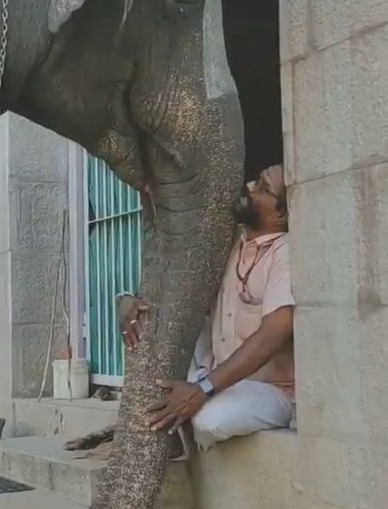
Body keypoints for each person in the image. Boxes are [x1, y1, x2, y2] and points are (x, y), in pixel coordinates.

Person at [117, 164, 295, 452]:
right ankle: (176, 422)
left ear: (281, 215)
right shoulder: (230, 240)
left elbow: (273, 334)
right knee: (155, 320)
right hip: (212, 373)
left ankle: (185, 424)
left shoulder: (285, 252)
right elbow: (174, 285)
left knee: (210, 420)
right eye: (256, 180)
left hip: (268, 390)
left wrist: (203, 389)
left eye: (263, 187)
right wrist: (125, 299)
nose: (250, 186)